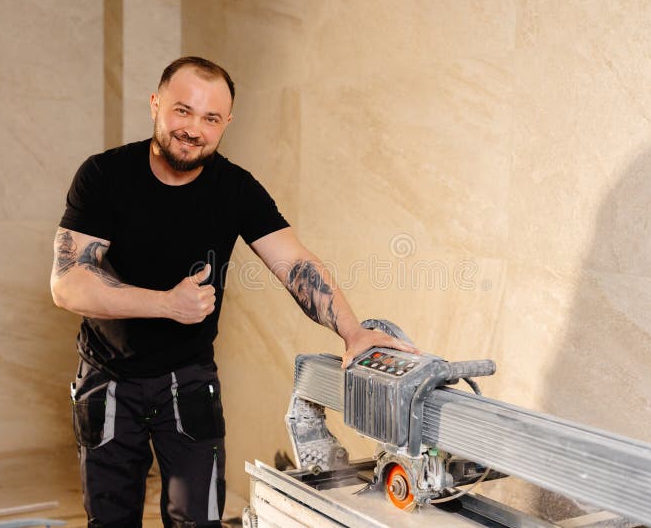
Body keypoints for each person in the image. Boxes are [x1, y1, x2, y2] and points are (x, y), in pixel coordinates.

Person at [50, 56, 417, 528]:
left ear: (226, 124)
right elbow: (67, 283)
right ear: (156, 104)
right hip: (108, 376)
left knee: (198, 521)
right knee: (111, 520)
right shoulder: (104, 175)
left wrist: (352, 330)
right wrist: (165, 304)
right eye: (182, 111)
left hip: (188, 378)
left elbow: (296, 263)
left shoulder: (236, 188)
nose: (193, 129)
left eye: (210, 118)